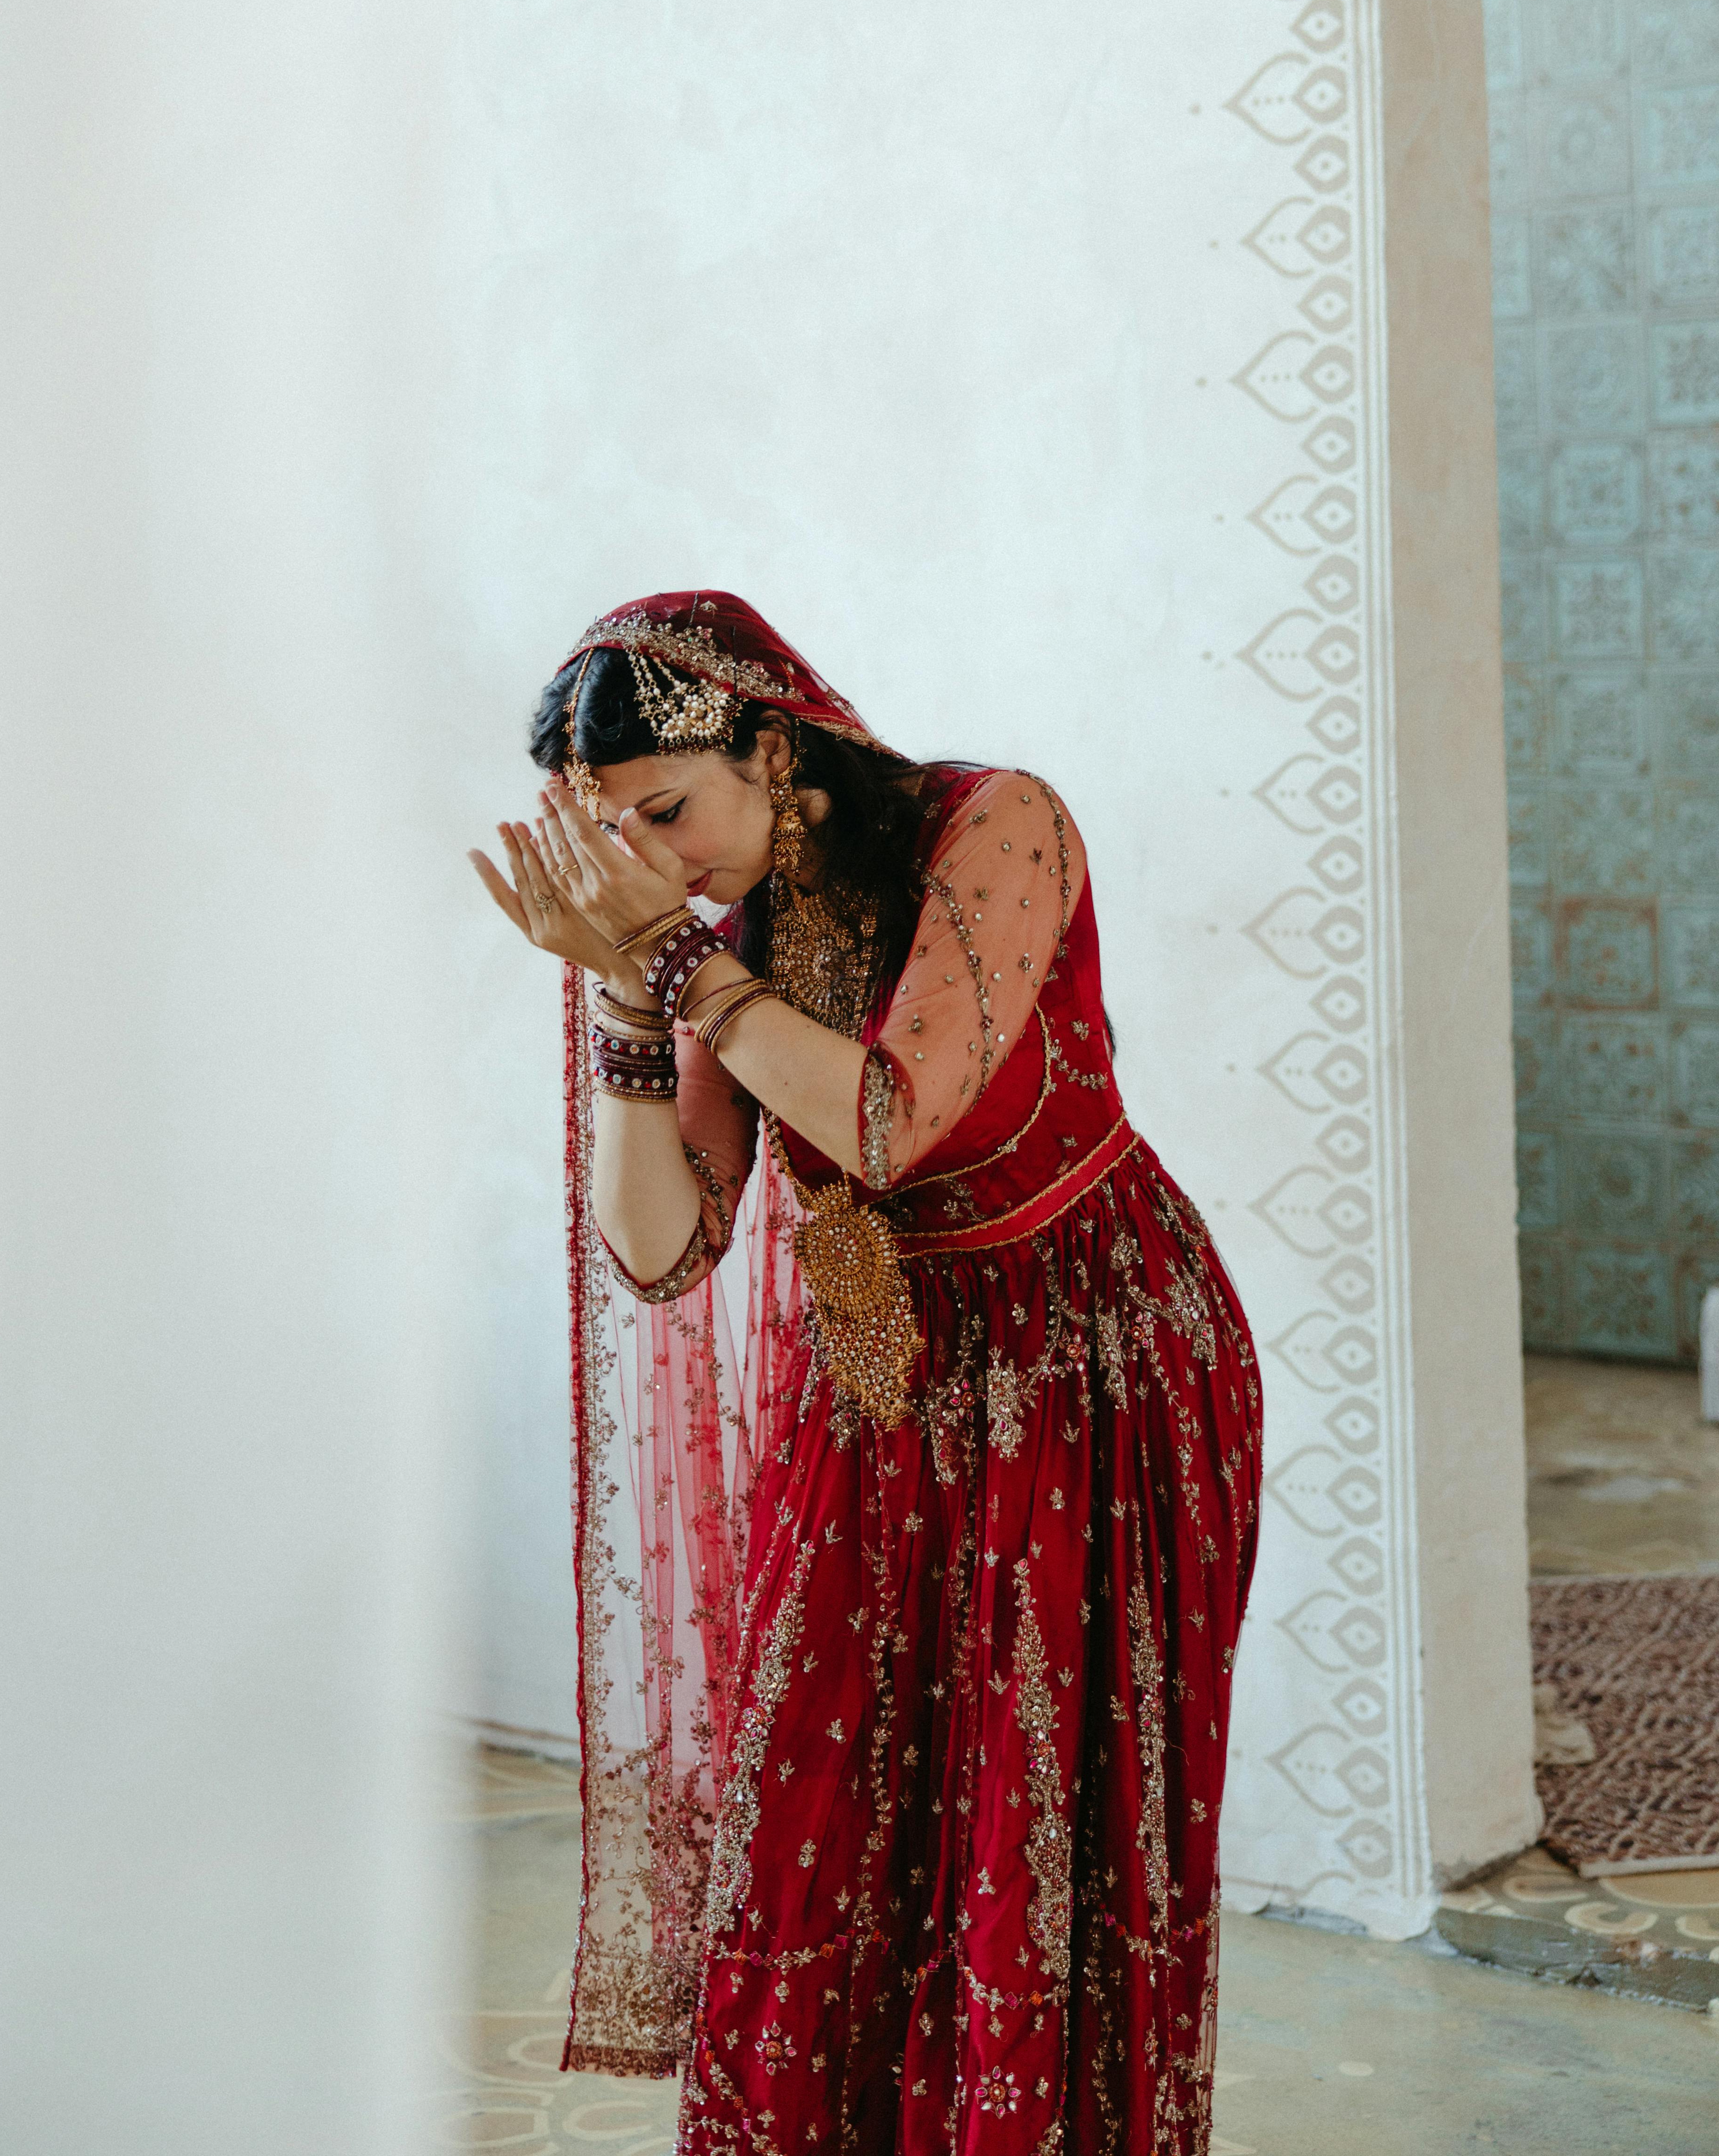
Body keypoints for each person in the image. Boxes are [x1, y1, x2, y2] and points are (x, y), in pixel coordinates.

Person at [470, 591, 1262, 2152]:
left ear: (772, 745)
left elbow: (893, 1118)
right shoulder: (734, 933)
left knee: (1042, 1840)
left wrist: (673, 960)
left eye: (669, 812)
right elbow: (659, 1248)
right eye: (618, 836)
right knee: (826, 1818)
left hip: (1089, 1366)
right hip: (879, 1381)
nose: (658, 859)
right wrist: (628, 989)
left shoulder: (1001, 825)